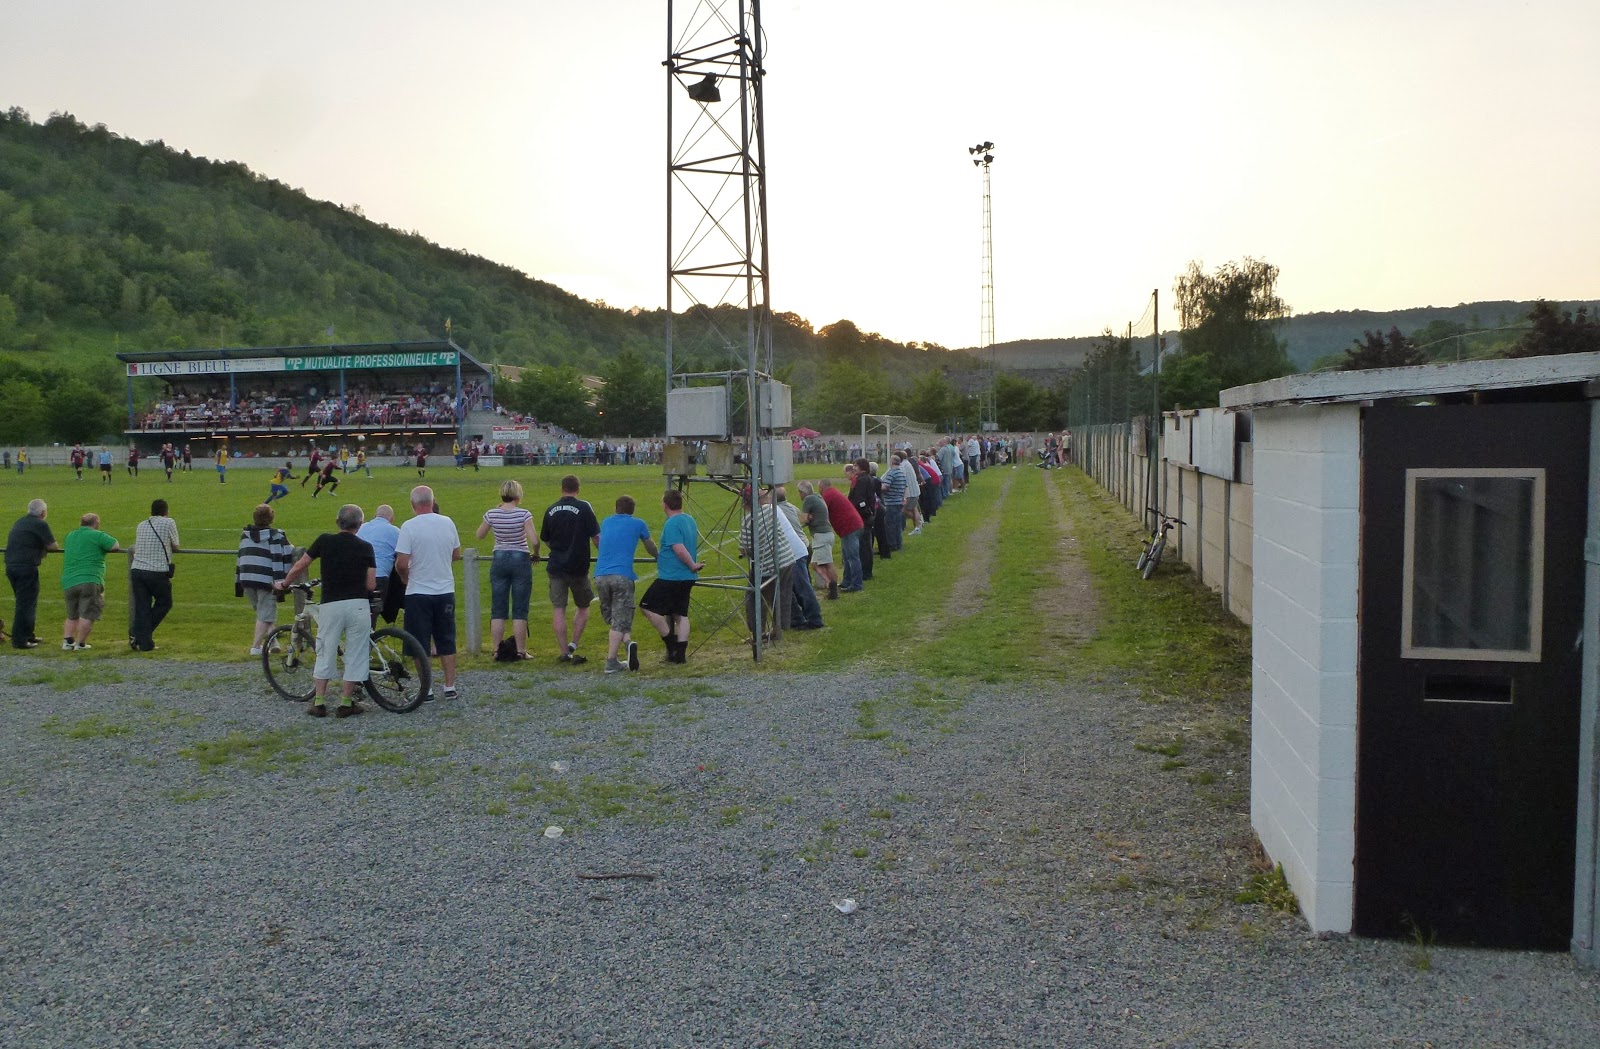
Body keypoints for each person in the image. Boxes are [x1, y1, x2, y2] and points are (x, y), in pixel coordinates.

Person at [275, 504, 375, 718]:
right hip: (358, 604)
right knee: (356, 652)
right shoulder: (366, 547)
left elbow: (301, 565)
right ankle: (346, 702)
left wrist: (285, 584)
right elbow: (371, 584)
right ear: (359, 524)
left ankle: (319, 701)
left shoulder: (324, 541)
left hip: (332, 604)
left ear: (338, 521)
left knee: (325, 649)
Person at [394, 486, 462, 699]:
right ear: (432, 502)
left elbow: (402, 563)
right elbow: (456, 554)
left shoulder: (409, 527)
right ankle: (449, 686)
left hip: (418, 591)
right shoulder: (448, 522)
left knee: (419, 641)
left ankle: (427, 688)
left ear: (413, 505)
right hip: (444, 590)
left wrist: (405, 578)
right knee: (446, 638)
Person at [592, 495, 658, 674]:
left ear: (616, 509)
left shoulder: (606, 522)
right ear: (633, 511)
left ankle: (628, 644)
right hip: (622, 575)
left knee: (615, 618)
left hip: (600, 575)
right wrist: (658, 556)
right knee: (619, 621)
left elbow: (598, 540)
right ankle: (611, 662)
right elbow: (650, 545)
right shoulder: (638, 524)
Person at [540, 474, 600, 665]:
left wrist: (558, 549)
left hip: (556, 566)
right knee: (583, 605)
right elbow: (596, 537)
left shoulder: (551, 510)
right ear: (578, 489)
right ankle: (574, 642)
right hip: (578, 566)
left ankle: (564, 651)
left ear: (562, 488)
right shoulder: (584, 507)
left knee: (559, 608)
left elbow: (546, 538)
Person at [476, 480, 538, 660]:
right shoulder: (524, 514)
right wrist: (536, 553)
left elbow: (480, 535)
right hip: (520, 559)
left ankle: (497, 650)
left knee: (498, 608)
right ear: (518, 495)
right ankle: (520, 650)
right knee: (520, 608)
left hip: (500, 558)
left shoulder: (492, 513)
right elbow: (534, 539)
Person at [639, 489, 703, 664]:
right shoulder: (689, 520)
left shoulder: (672, 523)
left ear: (665, 505)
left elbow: (679, 548)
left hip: (671, 576)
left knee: (647, 607)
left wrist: (692, 565)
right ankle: (680, 655)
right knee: (680, 614)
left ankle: (671, 642)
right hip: (686, 578)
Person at [738, 488, 800, 643]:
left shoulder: (749, 519)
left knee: (754, 598)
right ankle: (779, 629)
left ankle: (758, 633)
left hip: (767, 565)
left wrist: (746, 551)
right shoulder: (772, 511)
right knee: (782, 596)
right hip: (786, 558)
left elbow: (744, 547)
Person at [235, 503, 293, 656]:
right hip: (266, 580)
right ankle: (256, 647)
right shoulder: (277, 535)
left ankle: (273, 643)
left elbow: (240, 556)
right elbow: (289, 554)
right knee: (265, 614)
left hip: (246, 577)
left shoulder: (244, 534)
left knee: (263, 612)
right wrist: (284, 582)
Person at [60, 512, 121, 652]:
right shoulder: (98, 535)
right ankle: (80, 644)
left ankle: (67, 641)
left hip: (69, 580)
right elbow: (114, 545)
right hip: (90, 579)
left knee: (72, 614)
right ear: (96, 523)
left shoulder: (70, 536)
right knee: (87, 613)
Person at [6, 499, 61, 649]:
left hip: (11, 565)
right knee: (25, 604)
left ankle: (28, 634)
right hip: (26, 567)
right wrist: (43, 548)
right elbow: (54, 546)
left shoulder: (20, 521)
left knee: (25, 602)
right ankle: (19, 640)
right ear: (43, 513)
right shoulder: (40, 524)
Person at [129, 498, 180, 652]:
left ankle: (143, 641)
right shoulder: (168, 522)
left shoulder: (141, 524)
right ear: (166, 511)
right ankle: (139, 635)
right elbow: (176, 545)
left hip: (137, 569)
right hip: (156, 570)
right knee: (165, 603)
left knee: (142, 607)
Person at [774, 486, 823, 630]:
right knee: (790, 587)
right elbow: (803, 519)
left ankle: (814, 619)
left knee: (802, 587)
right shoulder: (791, 507)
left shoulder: (774, 511)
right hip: (803, 546)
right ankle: (796, 618)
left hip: (794, 551)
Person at [357, 504, 402, 626]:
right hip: (380, 576)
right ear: (391, 519)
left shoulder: (361, 528)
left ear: (375, 515)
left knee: (358, 615)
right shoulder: (395, 532)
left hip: (358, 576)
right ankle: (370, 640)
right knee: (372, 614)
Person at [819, 478, 864, 593]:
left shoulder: (828, 495)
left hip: (849, 527)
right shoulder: (833, 492)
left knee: (852, 557)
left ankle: (856, 584)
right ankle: (847, 581)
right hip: (851, 526)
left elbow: (821, 511)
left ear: (821, 487)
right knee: (847, 556)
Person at [796, 479, 837, 599]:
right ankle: (831, 587)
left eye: (799, 492)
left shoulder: (808, 499)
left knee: (820, 564)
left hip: (821, 535)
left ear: (802, 492)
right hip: (828, 533)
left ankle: (830, 585)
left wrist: (806, 518)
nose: (799, 495)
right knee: (822, 562)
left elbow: (802, 520)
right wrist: (809, 517)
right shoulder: (818, 496)